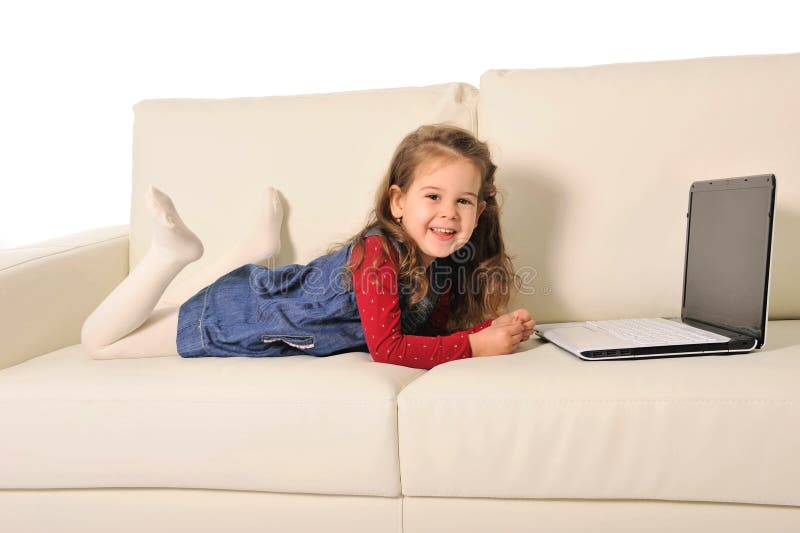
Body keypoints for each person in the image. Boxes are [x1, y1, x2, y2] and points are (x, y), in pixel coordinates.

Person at [81, 124, 535, 369]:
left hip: (265, 293)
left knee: (177, 303)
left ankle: (258, 248)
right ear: (397, 202)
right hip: (242, 316)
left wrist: (485, 331)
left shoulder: (443, 259)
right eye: (433, 196)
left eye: (464, 201)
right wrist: (474, 348)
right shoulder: (377, 255)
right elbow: (391, 350)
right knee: (98, 342)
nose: (449, 213)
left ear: (480, 210)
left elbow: (425, 334)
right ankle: (169, 254)